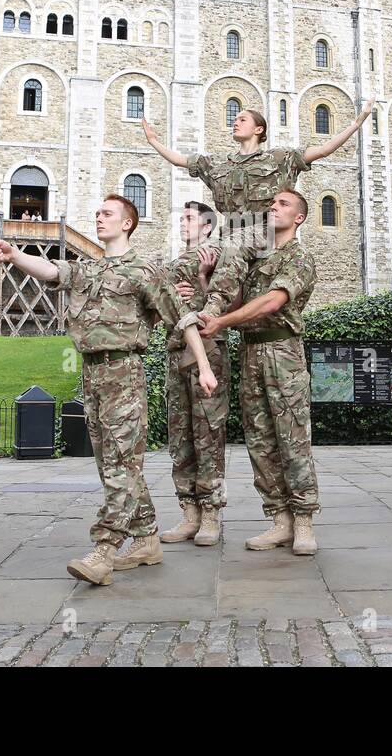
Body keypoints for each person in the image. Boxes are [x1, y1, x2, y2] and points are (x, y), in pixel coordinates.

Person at [0, 195, 217, 586]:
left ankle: (104, 550)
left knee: (123, 464)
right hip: (91, 374)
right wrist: (14, 256)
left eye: (107, 213)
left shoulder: (144, 270)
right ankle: (146, 539)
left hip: (123, 371)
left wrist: (205, 366)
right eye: (96, 213)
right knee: (112, 464)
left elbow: (182, 321)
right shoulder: (89, 269)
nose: (98, 218)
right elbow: (50, 270)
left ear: (127, 223)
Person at [197, 189, 320, 555]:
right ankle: (279, 520)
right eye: (272, 203)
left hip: (282, 351)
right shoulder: (253, 259)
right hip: (250, 351)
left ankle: (303, 520)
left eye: (283, 204)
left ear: (298, 217)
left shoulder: (299, 258)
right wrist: (207, 282)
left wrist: (221, 321)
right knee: (260, 439)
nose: (273, 207)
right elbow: (238, 304)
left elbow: (271, 302)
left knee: (292, 437)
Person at [141, 99, 375, 234]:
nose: (235, 122)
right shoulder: (218, 163)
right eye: (234, 119)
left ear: (258, 129)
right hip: (230, 235)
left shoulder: (280, 158)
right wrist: (153, 141)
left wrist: (357, 123)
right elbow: (180, 160)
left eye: (242, 120)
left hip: (267, 236)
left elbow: (324, 150)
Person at [160, 201, 232, 547]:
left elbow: (228, 303)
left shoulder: (217, 256)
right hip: (176, 353)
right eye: (181, 218)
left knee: (208, 432)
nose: (182, 223)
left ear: (206, 226)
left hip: (208, 353)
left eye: (189, 219)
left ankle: (211, 513)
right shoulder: (175, 263)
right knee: (181, 435)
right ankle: (189, 513)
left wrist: (202, 283)